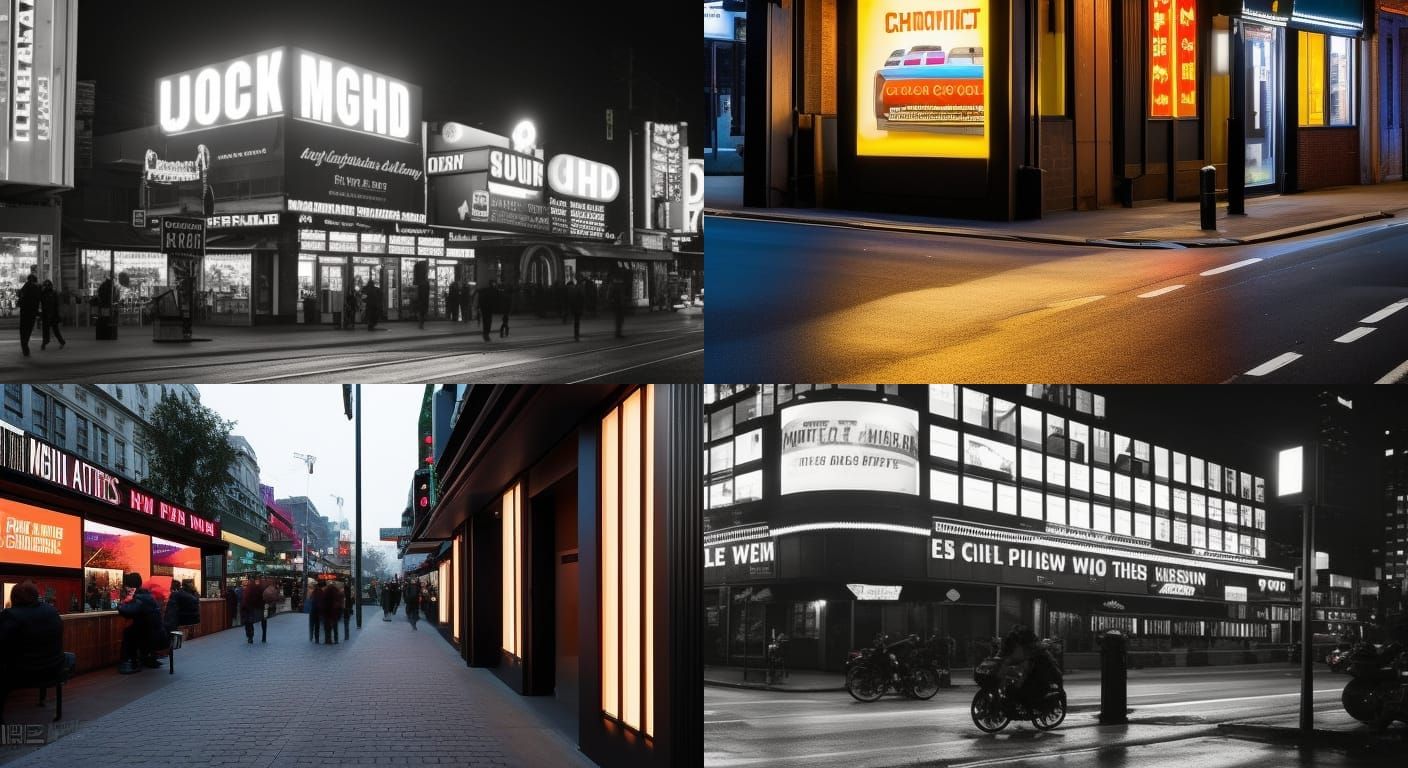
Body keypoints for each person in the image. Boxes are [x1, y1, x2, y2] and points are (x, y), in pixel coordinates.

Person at [0, 581, 66, 691]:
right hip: (54, 668)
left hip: (25, 672)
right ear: (36, 595)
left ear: (14, 598)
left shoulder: (10, 615)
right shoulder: (52, 611)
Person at [117, 573, 164, 672]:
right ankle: (147, 658)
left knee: (128, 633)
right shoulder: (147, 595)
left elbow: (128, 611)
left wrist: (120, 604)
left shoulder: (139, 597)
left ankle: (129, 663)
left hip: (149, 634)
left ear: (130, 586)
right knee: (132, 630)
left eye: (126, 586)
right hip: (155, 632)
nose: (125, 588)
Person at [16, 274, 41, 357]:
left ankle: (24, 347)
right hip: (31, 312)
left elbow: (19, 296)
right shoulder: (36, 288)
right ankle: (25, 346)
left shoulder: (25, 287)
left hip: (24, 312)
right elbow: (38, 299)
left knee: (23, 330)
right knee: (28, 329)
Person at [38, 280, 66, 351]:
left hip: (53, 315)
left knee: (55, 330)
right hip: (46, 315)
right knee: (46, 331)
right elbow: (41, 303)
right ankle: (45, 342)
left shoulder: (53, 293)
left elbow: (57, 304)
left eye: (48, 285)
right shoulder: (43, 293)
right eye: (46, 285)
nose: (47, 287)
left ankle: (60, 341)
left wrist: (58, 314)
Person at [240, 577, 267, 644]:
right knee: (260, 621)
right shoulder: (259, 589)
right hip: (258, 609)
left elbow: (245, 600)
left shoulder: (248, 589)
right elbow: (263, 598)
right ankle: (263, 637)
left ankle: (250, 637)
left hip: (249, 609)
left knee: (249, 623)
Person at [609, 273, 627, 338]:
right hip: (618, 304)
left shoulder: (615, 286)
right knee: (619, 319)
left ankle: (618, 332)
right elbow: (611, 296)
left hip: (618, 304)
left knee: (619, 319)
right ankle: (618, 333)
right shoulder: (616, 286)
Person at [568, 277, 586, 341]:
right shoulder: (580, 288)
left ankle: (576, 334)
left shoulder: (574, 288)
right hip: (578, 306)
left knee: (576, 321)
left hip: (574, 306)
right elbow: (582, 297)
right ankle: (577, 335)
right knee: (577, 321)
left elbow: (570, 298)